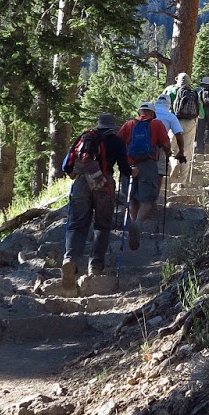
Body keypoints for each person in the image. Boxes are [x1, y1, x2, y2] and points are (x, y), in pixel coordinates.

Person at [58, 113, 129, 296]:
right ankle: (95, 267)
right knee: (102, 226)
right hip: (104, 183)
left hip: (81, 184)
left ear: (97, 126)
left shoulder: (84, 137)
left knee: (77, 225)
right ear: (112, 127)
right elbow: (124, 168)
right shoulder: (116, 141)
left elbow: (66, 165)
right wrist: (132, 172)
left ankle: (70, 259)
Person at [118, 102, 171, 248]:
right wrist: (168, 154)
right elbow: (166, 144)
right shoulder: (156, 124)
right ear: (152, 113)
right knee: (148, 200)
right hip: (148, 164)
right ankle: (137, 225)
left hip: (129, 166)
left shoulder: (129, 124)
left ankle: (133, 227)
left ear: (139, 112)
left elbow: (119, 142)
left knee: (132, 198)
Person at [159, 72, 200, 182]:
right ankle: (182, 182)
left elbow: (161, 103)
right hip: (190, 122)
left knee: (172, 149)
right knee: (186, 151)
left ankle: (174, 164)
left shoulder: (170, 89)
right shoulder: (192, 92)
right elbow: (200, 111)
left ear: (177, 80)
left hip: (174, 121)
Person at [149, 91, 185, 180]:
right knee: (159, 172)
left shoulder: (149, 113)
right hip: (160, 145)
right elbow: (178, 135)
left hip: (145, 143)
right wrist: (181, 151)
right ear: (169, 105)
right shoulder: (170, 116)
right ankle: (155, 192)